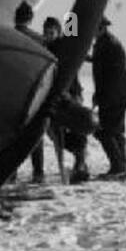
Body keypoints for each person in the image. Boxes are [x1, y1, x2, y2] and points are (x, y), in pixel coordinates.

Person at [43, 16, 91, 184]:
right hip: (58, 96)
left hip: (71, 94)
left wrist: (72, 20)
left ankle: (80, 163)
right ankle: (80, 159)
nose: (48, 36)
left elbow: (74, 37)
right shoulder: (45, 48)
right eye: (46, 33)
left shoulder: (64, 46)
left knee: (75, 129)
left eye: (51, 33)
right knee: (54, 132)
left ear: (58, 33)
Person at [90, 17, 126, 180]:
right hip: (118, 94)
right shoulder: (107, 42)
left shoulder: (107, 44)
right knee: (116, 132)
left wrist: (100, 95)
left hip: (114, 95)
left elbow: (107, 74)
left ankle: (118, 168)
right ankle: (121, 168)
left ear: (101, 28)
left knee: (106, 131)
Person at [15, 2, 47, 182]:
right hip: (33, 95)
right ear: (31, 18)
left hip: (10, 95)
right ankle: (38, 172)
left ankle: (10, 173)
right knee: (35, 137)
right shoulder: (40, 40)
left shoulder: (7, 35)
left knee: (10, 137)